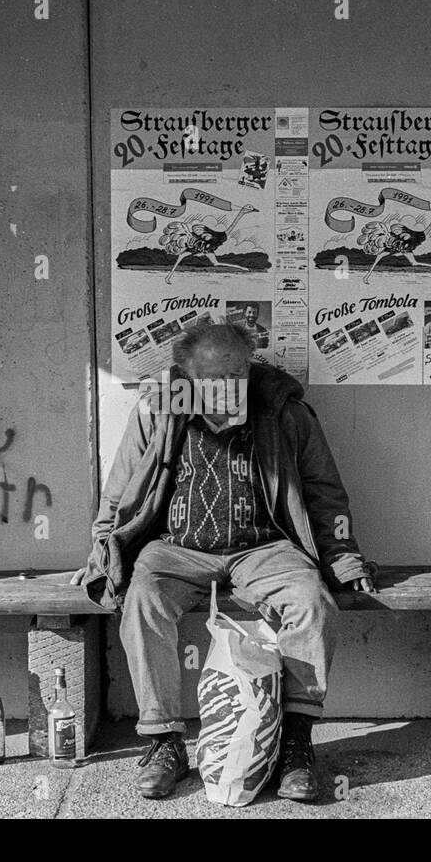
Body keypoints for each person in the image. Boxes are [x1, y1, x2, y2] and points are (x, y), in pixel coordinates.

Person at [71, 322, 374, 802]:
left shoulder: (283, 413)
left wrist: (344, 558)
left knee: (310, 602)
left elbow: (324, 492)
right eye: (211, 378)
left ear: (249, 366)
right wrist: (102, 549)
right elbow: (121, 488)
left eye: (236, 373)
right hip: (178, 547)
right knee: (143, 598)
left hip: (263, 546)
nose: (226, 387)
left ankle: (294, 742)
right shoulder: (159, 411)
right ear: (187, 376)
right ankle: (164, 741)